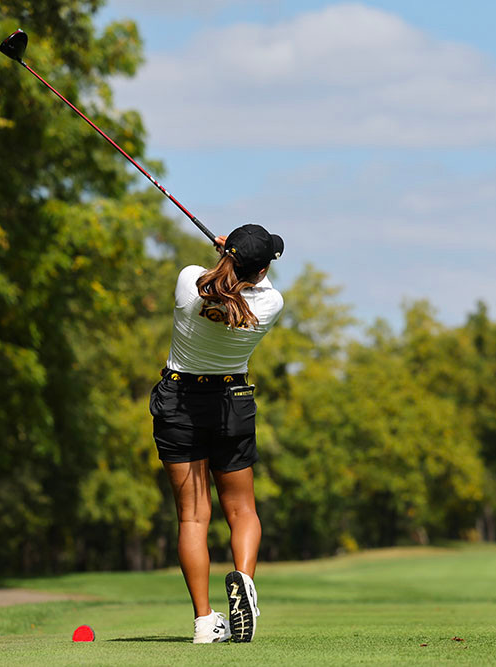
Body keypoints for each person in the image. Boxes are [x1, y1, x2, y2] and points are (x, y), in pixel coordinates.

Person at [149, 223, 285, 643]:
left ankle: (205, 622)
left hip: (179, 401)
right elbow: (254, 284)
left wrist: (225, 254)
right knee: (242, 511)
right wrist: (234, 257)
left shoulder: (189, 282)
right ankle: (244, 580)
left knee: (193, 517)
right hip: (231, 402)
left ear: (227, 254)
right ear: (261, 270)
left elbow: (213, 278)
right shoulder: (271, 303)